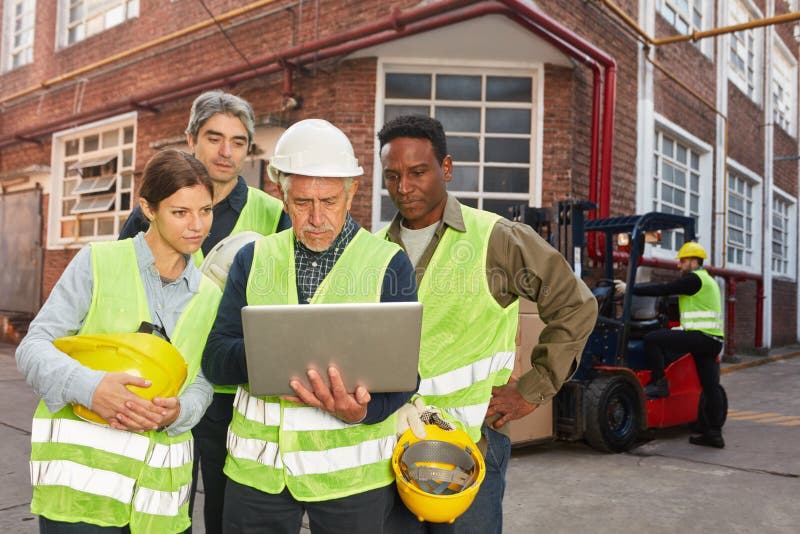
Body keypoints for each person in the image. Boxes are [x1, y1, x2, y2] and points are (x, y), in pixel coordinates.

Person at [376, 115, 598, 533]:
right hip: (391, 443)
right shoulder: (374, 249)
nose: (404, 187)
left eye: (418, 172)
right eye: (393, 175)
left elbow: (575, 304)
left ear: (446, 168)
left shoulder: (496, 238)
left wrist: (532, 390)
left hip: (471, 442)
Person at [202, 118, 418, 534]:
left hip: (349, 477)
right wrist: (269, 357)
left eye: (330, 201)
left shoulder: (389, 264)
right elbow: (215, 358)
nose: (316, 217)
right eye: (302, 202)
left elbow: (405, 378)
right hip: (258, 474)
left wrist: (362, 412)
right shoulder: (252, 259)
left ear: (352, 193)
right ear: (281, 195)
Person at [16, 149, 222, 533]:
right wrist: (91, 389)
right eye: (180, 212)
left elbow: (202, 379)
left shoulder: (211, 294)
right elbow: (34, 347)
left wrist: (180, 412)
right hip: (82, 496)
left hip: (158, 502)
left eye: (205, 210)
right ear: (148, 208)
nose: (197, 225)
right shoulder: (97, 262)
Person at [120, 90, 289, 533]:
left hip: (231, 392)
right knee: (155, 506)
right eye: (214, 138)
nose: (225, 151)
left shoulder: (272, 216)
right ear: (190, 138)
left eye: (237, 141)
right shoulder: (153, 208)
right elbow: (123, 285)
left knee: (225, 512)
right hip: (162, 383)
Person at [629, 241, 726, 448]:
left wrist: (631, 289)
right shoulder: (707, 280)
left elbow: (665, 289)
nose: (679, 265)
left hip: (701, 338)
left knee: (653, 338)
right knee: (711, 388)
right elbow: (674, 296)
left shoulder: (695, 279)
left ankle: (659, 382)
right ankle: (714, 434)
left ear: (693, 261)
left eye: (682, 261)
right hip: (713, 340)